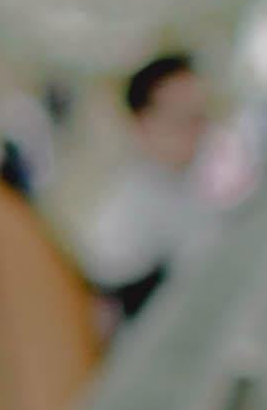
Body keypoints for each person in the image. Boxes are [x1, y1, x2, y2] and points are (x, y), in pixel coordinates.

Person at [76, 45, 226, 316]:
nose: (199, 132)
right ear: (143, 124)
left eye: (201, 116)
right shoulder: (126, 216)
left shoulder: (188, 192)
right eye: (183, 118)